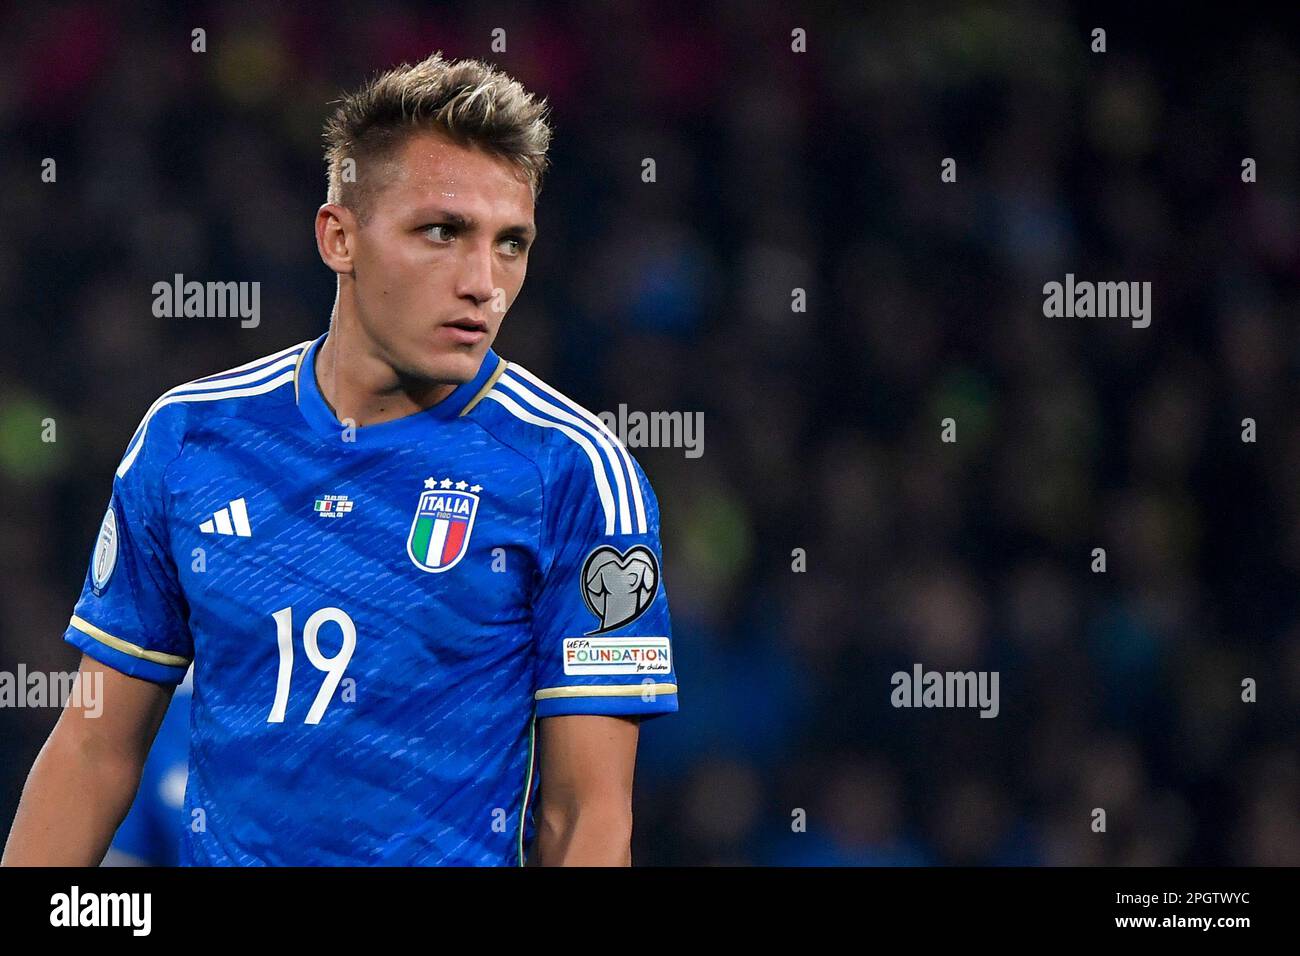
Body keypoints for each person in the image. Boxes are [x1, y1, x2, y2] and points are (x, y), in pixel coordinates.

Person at [3, 52, 677, 866]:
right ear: (339, 238)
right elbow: (93, 750)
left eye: (511, 244)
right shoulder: (188, 438)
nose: (483, 282)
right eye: (443, 232)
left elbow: (586, 818)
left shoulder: (577, 475)